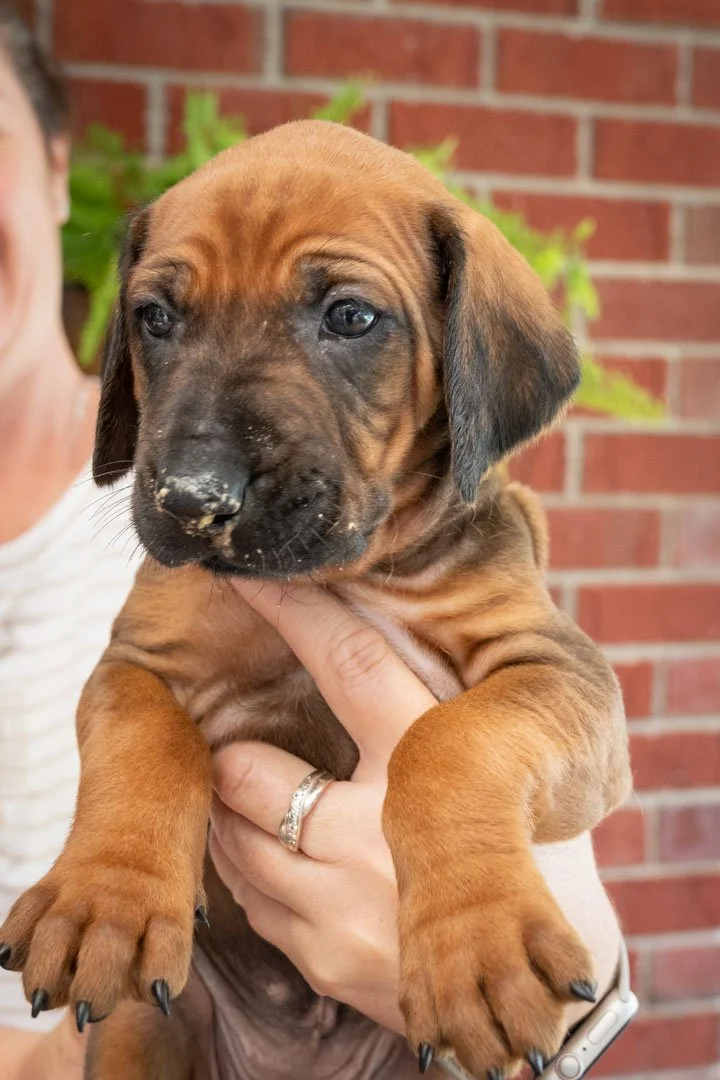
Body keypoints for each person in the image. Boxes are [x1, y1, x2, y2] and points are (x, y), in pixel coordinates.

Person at [0, 6, 621, 1077]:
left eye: (346, 319)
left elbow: (574, 726)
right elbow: (136, 682)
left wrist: (489, 881)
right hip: (189, 1020)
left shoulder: (470, 557)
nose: (197, 477)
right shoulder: (183, 578)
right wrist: (122, 852)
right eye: (163, 318)